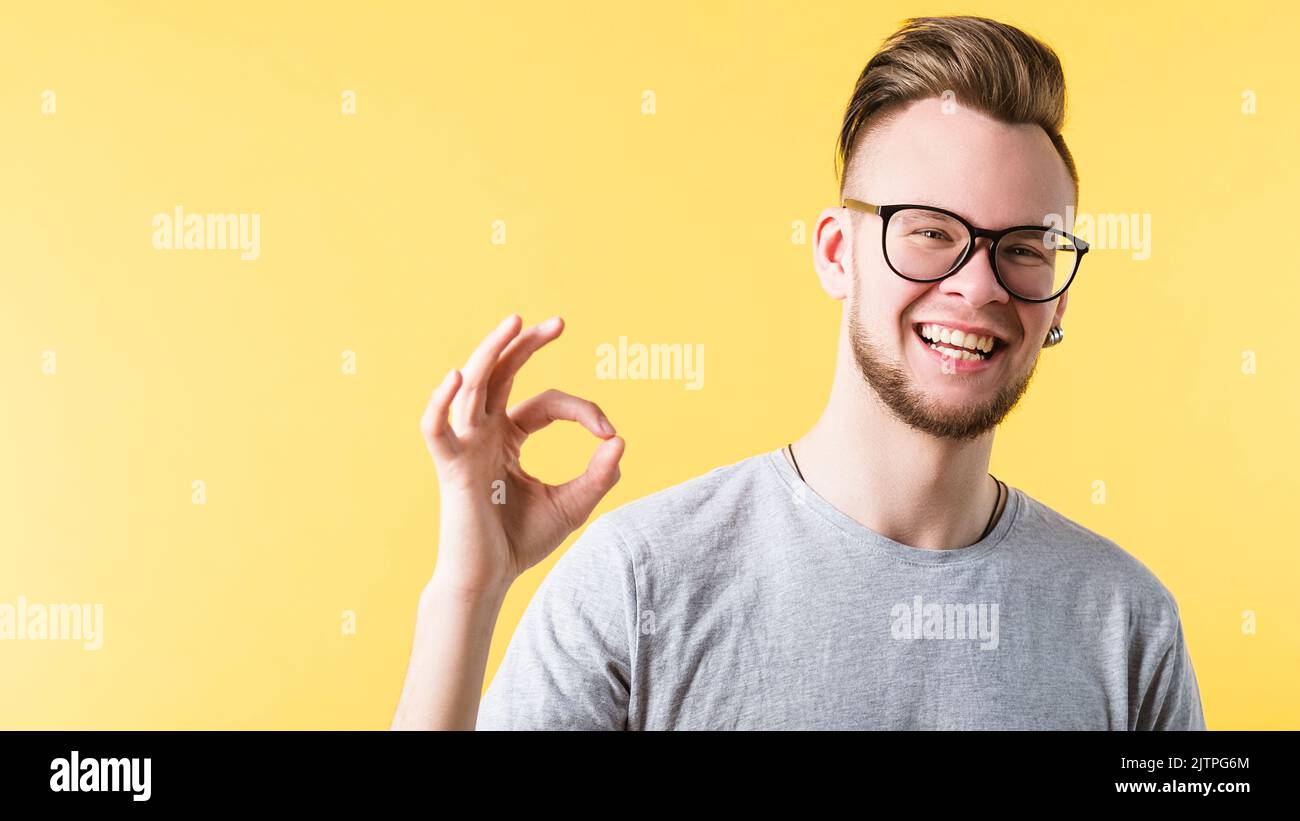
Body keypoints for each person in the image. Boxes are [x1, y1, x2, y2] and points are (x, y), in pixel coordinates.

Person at [390, 14, 1207, 730]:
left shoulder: (1127, 625)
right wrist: (467, 591)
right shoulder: (637, 582)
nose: (979, 285)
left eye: (1023, 247)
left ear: (1056, 302)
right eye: (929, 232)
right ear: (835, 252)